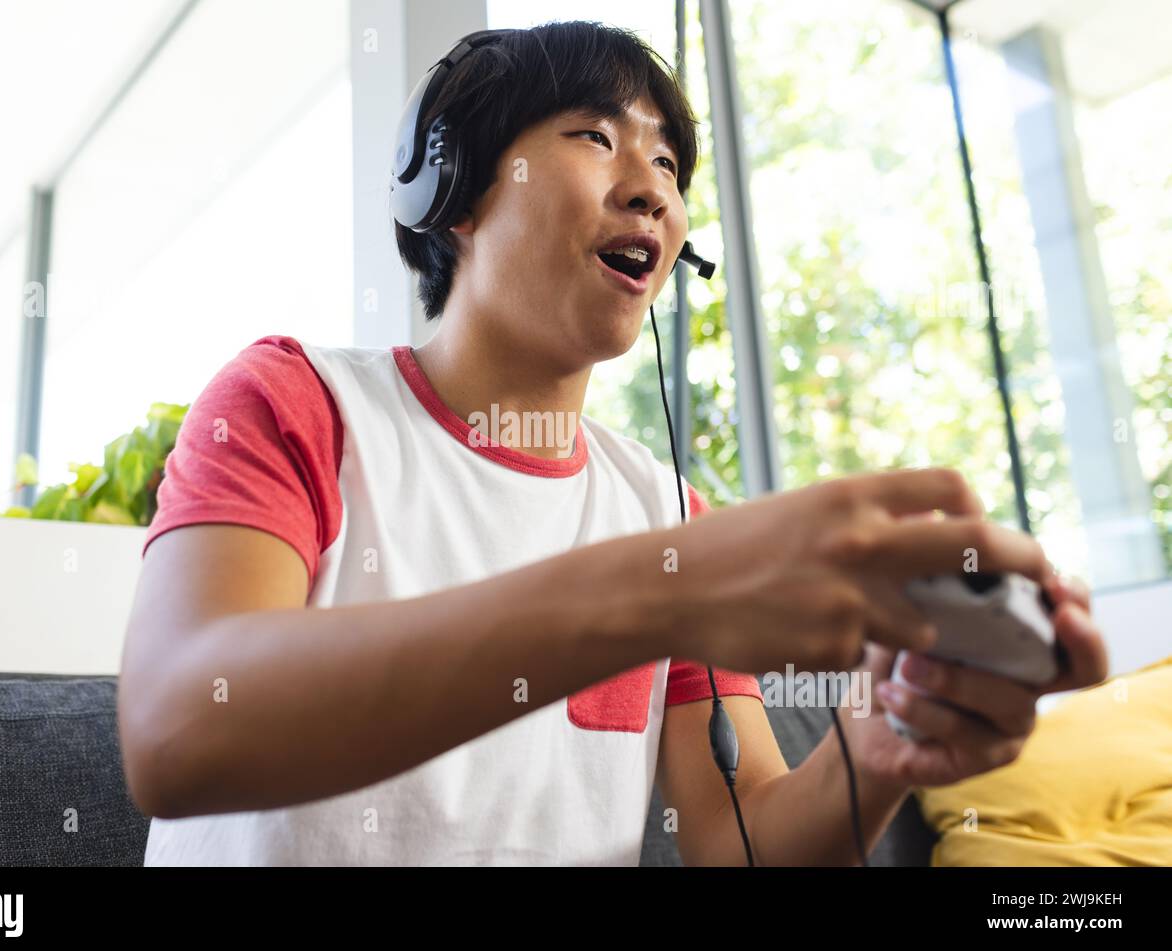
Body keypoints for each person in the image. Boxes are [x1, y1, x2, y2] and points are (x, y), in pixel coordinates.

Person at [117, 20, 1107, 866]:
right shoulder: (294, 401)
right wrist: (658, 592)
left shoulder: (661, 513)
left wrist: (882, 744)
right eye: (595, 137)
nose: (653, 192)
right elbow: (178, 726)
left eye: (669, 166)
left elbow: (738, 840)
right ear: (453, 192)